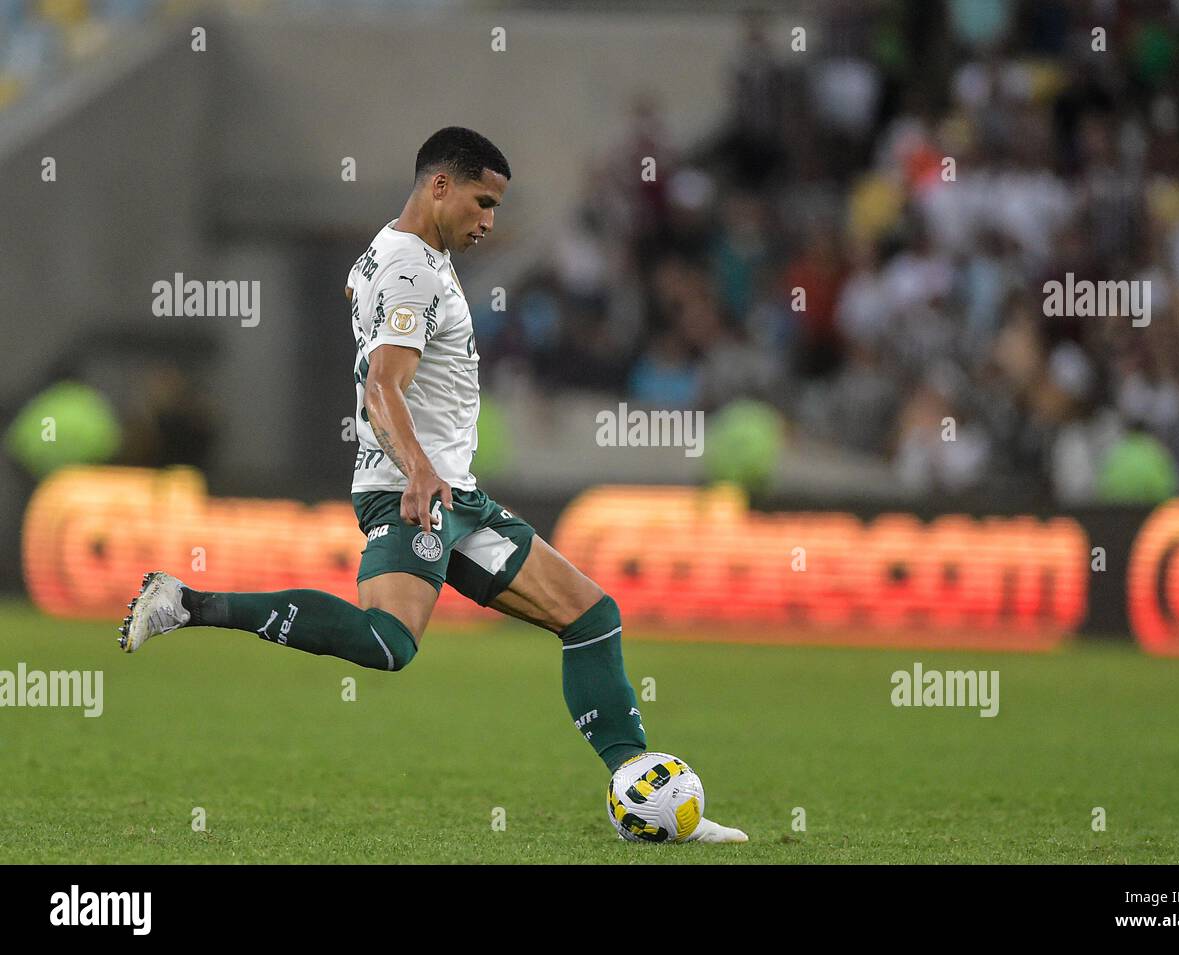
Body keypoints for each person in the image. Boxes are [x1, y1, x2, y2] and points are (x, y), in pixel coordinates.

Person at [118, 127, 746, 844]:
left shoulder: (393, 257)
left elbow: (374, 329)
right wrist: (417, 467)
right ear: (439, 185)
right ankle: (187, 602)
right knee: (388, 643)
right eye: (483, 202)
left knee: (591, 616)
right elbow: (383, 383)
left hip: (455, 493)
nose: (488, 222)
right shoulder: (412, 269)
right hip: (410, 487)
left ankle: (644, 791)